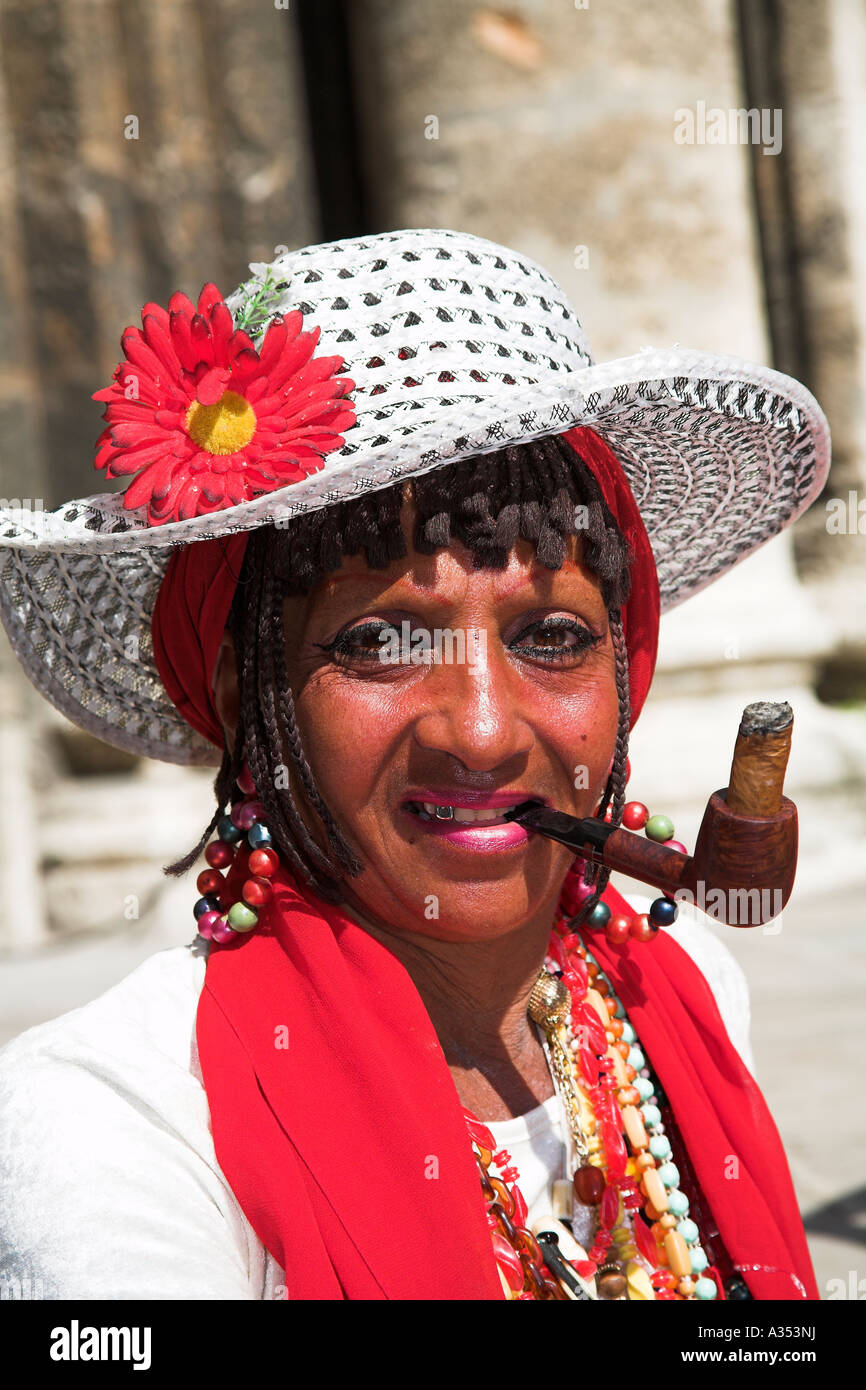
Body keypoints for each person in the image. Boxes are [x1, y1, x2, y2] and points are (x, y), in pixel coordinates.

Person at [0, 228, 827, 1301]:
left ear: (624, 669)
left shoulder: (687, 993)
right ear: (249, 702)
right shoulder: (117, 1114)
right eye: (380, 641)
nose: (481, 732)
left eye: (550, 637)